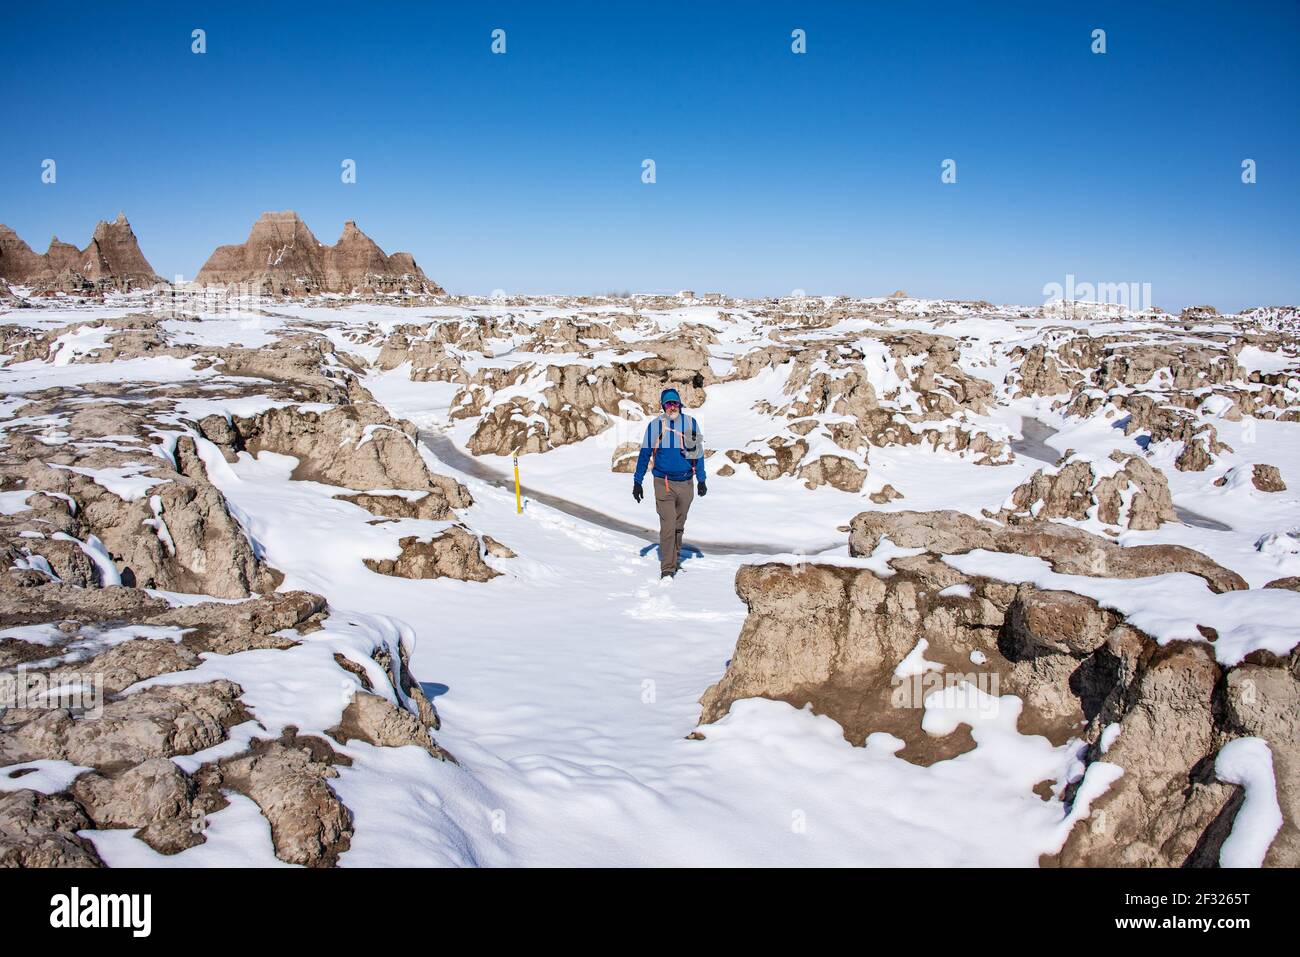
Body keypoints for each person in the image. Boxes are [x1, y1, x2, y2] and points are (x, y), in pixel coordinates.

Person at [632, 388, 707, 578]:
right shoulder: (655, 426)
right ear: (662, 406)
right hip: (663, 482)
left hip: (686, 483)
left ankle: (674, 559)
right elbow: (644, 454)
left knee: (678, 526)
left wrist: (701, 479)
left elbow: (697, 454)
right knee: (668, 525)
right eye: (668, 404)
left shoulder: (690, 423)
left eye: (675, 403)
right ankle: (667, 568)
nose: (672, 407)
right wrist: (637, 481)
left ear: (680, 405)